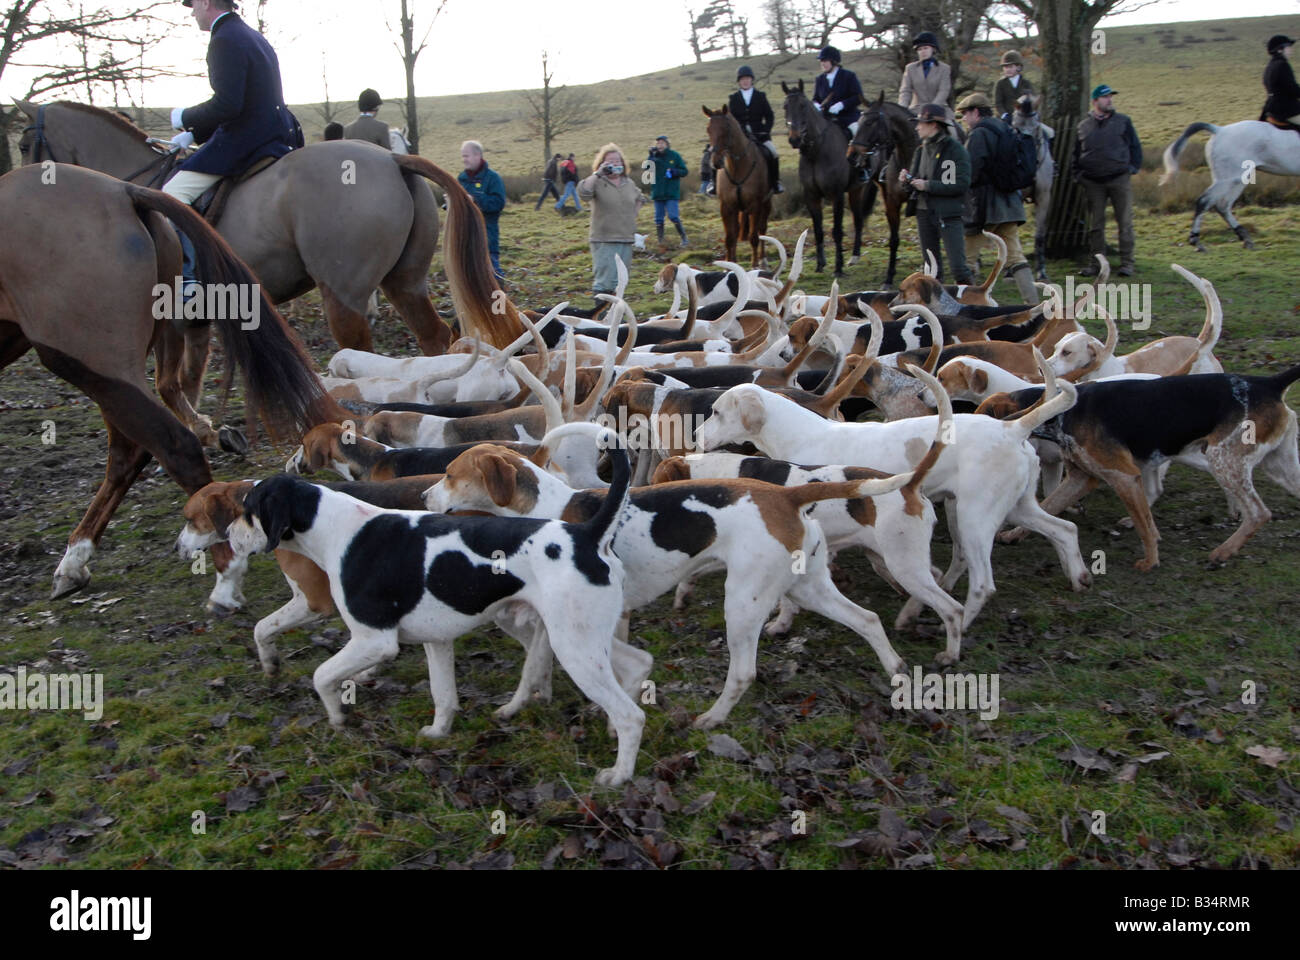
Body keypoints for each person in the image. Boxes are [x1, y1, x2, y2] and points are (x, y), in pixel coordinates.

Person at [167, 0, 301, 290]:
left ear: (206, 2)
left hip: (246, 140)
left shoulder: (224, 39)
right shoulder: (251, 35)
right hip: (276, 132)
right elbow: (247, 100)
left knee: (171, 195)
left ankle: (187, 281)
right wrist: (194, 134)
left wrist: (183, 117)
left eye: (193, 5)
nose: (192, 12)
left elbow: (228, 105)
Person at [956, 93, 1037, 303]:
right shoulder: (1007, 129)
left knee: (967, 259)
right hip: (1010, 203)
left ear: (976, 112)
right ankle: (1034, 305)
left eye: (965, 114)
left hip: (985, 205)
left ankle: (969, 309)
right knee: (1016, 257)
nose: (964, 119)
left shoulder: (979, 134)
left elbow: (971, 171)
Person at [1072, 84, 1141, 277]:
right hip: (1093, 182)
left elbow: (1135, 147)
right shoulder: (1083, 126)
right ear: (1095, 101)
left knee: (1125, 222)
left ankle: (1127, 263)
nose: (1109, 100)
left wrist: (1132, 168)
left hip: (1119, 178)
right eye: (1105, 97)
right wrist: (1078, 175)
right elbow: (1076, 154)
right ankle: (1096, 264)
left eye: (1110, 96)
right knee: (1096, 225)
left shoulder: (1123, 122)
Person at [899, 103, 972, 284]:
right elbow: (914, 183)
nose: (917, 127)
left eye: (921, 123)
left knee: (959, 268)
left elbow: (958, 184)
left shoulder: (953, 150)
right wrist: (907, 181)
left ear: (933, 125)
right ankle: (936, 309)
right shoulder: (921, 150)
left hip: (947, 214)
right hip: (924, 212)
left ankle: (975, 306)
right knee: (931, 270)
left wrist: (928, 185)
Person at [578, 143, 645, 296]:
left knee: (621, 281)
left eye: (618, 160)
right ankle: (601, 315)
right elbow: (584, 192)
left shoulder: (629, 183)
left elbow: (640, 198)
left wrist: (632, 215)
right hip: (604, 238)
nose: (615, 164)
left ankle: (616, 316)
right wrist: (598, 174)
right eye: (610, 161)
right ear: (602, 163)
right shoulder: (598, 182)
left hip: (626, 238)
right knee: (605, 282)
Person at [728, 65, 783, 193]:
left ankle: (775, 183)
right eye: (742, 79)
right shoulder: (734, 98)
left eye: (747, 78)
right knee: (722, 154)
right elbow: (731, 119)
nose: (745, 81)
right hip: (740, 137)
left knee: (773, 153)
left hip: (760, 135)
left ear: (752, 80)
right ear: (739, 81)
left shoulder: (760, 96)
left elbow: (769, 116)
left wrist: (766, 130)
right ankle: (714, 184)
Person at [458, 140, 507, 281]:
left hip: (487, 238)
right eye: (463, 156)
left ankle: (498, 302)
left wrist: (475, 200)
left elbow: (498, 203)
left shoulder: (493, 178)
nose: (464, 160)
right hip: (466, 239)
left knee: (493, 278)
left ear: (477, 155)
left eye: (466, 156)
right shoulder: (461, 179)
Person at [899, 32, 954, 125]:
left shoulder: (944, 68)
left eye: (926, 48)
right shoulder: (910, 68)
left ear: (933, 49)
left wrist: (932, 108)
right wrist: (902, 109)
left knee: (952, 131)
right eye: (920, 49)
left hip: (939, 110)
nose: (923, 51)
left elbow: (944, 91)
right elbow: (905, 91)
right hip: (916, 110)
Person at [645, 135, 689, 248]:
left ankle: (684, 238)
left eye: (662, 143)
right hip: (658, 192)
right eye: (658, 143)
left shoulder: (674, 156)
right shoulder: (653, 157)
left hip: (671, 193)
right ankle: (661, 241)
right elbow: (646, 169)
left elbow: (684, 171)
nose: (660, 145)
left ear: (667, 144)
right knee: (658, 219)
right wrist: (650, 157)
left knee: (673, 216)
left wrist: (675, 172)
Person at [812, 46, 863, 138]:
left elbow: (858, 97)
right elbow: (816, 98)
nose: (822, 64)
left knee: (858, 133)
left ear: (834, 61)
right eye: (821, 61)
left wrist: (841, 105)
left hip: (848, 118)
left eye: (825, 61)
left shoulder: (848, 76)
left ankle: (867, 152)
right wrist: (816, 105)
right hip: (827, 119)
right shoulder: (819, 79)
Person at [1261, 34, 1300, 126]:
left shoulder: (1270, 66)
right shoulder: (1282, 65)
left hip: (1270, 107)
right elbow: (1292, 88)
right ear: (1279, 50)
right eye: (1288, 47)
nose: (1291, 49)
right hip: (1286, 109)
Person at [993, 50, 1036, 120]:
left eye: (1010, 67)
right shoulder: (1000, 84)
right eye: (1005, 67)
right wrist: (1004, 114)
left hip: (1023, 117)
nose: (1007, 70)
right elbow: (998, 103)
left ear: (1018, 67)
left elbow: (1032, 100)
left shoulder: (1026, 83)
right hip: (1005, 118)